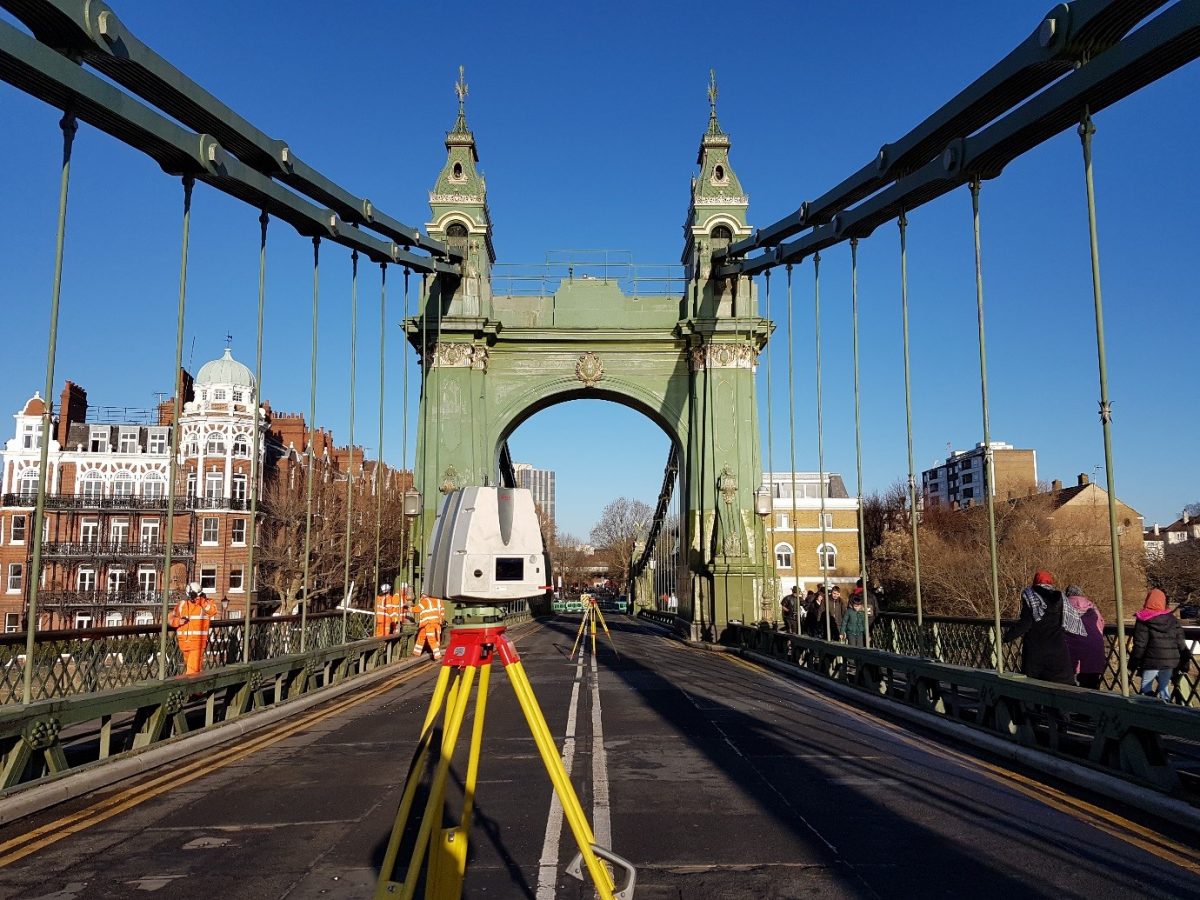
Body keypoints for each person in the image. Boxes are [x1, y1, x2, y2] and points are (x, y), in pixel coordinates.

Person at [1002, 570, 1084, 685]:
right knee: (1064, 686)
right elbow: (1067, 624)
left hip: (1036, 653)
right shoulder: (1061, 598)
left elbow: (1025, 623)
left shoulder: (1030, 596)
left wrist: (1006, 637)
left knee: (1033, 686)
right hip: (1058, 652)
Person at [1130, 588, 1190, 701]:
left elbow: (1140, 644)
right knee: (1164, 687)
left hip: (1151, 660)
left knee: (1146, 686)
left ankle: (1148, 705)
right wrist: (1185, 660)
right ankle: (1166, 705)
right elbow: (1180, 642)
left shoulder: (1143, 619)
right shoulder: (1172, 619)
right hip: (1170, 660)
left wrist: (1134, 660)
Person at [169, 581, 218, 676]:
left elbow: (212, 611)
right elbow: (170, 618)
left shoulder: (205, 603)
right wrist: (178, 621)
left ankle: (192, 686)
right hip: (184, 644)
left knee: (191, 672)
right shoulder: (182, 605)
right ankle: (199, 686)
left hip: (197, 644)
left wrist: (202, 601)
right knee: (195, 671)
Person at [1064, 584, 1106, 689]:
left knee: (1072, 690)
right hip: (1095, 652)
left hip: (1074, 655)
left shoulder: (1065, 606)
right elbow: (1101, 625)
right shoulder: (1092, 606)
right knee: (1092, 688)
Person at [413, 593, 446, 660]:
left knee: (431, 639)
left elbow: (417, 609)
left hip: (429, 623)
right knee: (421, 636)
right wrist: (441, 621)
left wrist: (408, 609)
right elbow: (442, 613)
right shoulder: (439, 600)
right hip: (434, 623)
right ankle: (416, 653)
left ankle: (437, 656)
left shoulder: (425, 601)